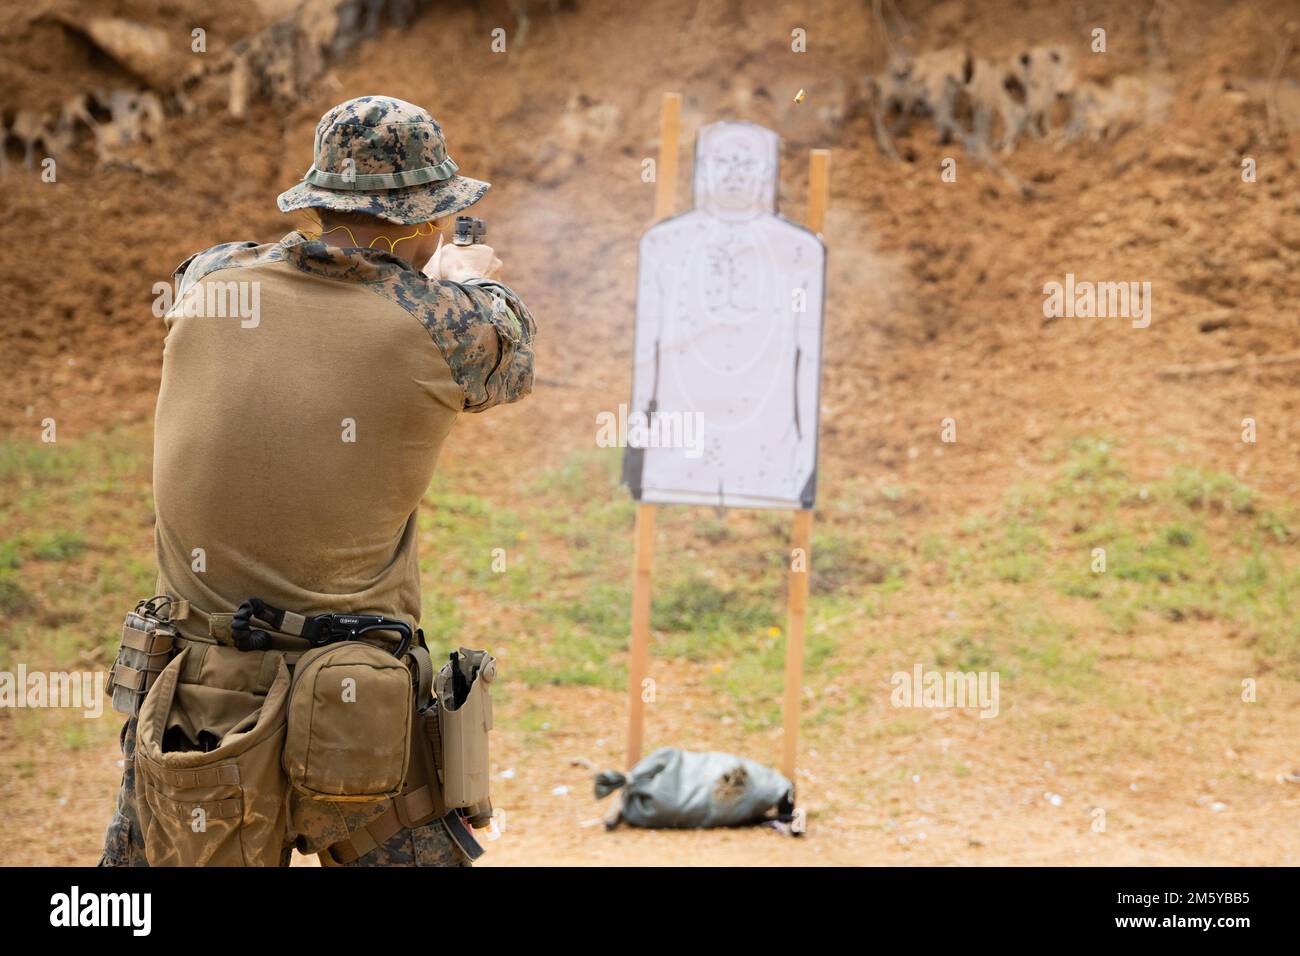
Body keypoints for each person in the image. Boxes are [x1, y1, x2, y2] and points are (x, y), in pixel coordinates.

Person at [98, 95, 535, 867]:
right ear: (429, 222)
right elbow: (510, 344)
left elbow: (255, 272)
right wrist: (458, 279)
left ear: (314, 202)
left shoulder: (209, 281)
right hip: (356, 710)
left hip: (197, 702)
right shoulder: (448, 323)